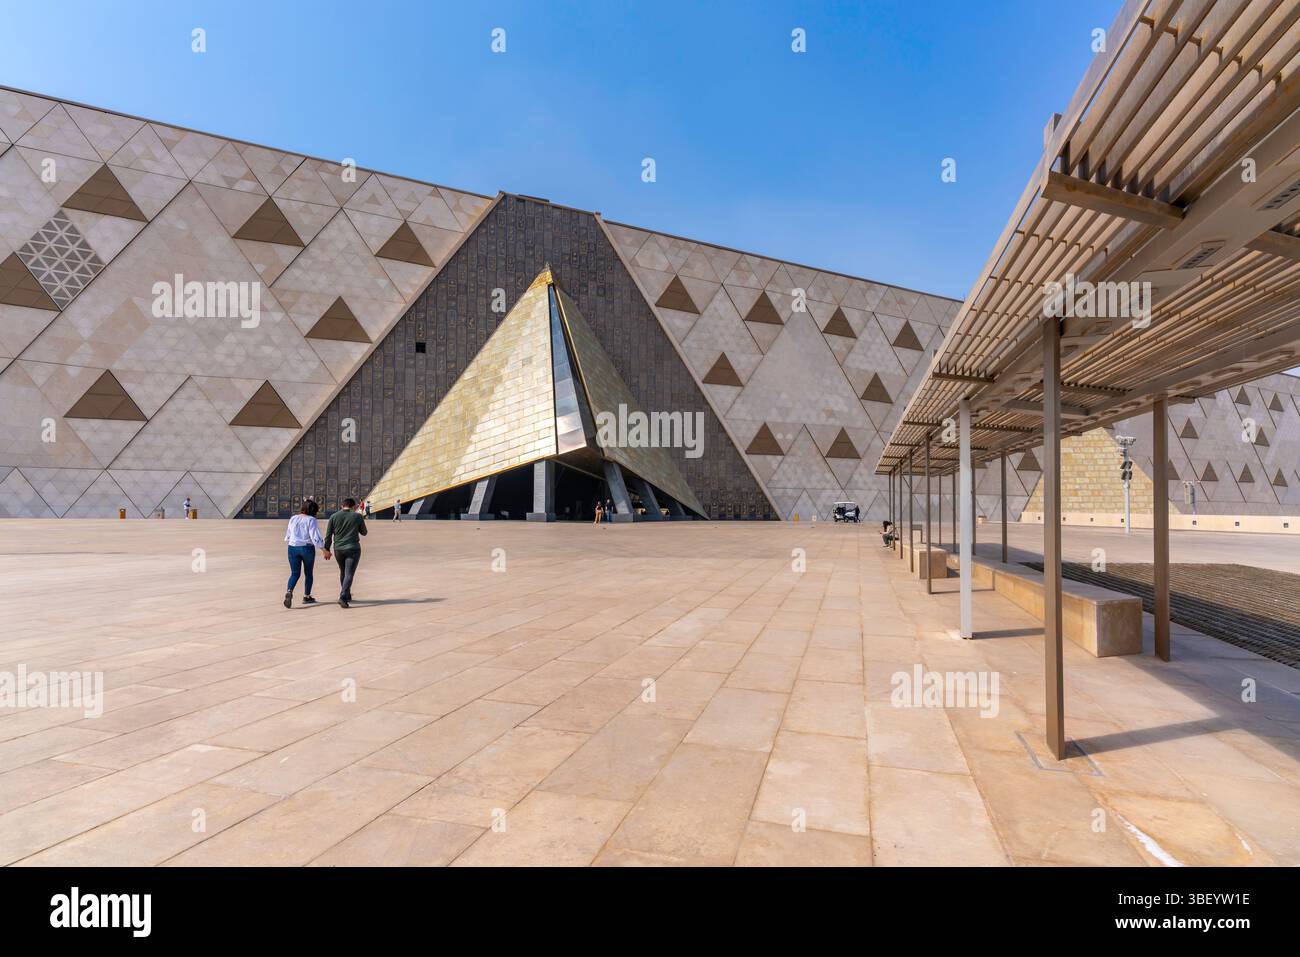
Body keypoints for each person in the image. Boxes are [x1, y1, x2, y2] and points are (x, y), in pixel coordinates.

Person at [324, 497, 367, 608]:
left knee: (343, 571)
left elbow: (328, 536)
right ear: (353, 507)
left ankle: (346, 593)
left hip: (338, 548)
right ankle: (343, 596)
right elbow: (364, 532)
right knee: (349, 573)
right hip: (353, 548)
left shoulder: (333, 516)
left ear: (342, 506)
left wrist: (326, 549)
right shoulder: (357, 516)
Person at [283, 500, 325, 607]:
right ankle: (307, 596)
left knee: (294, 573)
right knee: (308, 573)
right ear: (313, 510)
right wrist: (324, 550)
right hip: (307, 548)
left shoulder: (293, 518)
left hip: (292, 547)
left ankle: (289, 591)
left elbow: (288, 533)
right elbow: (315, 537)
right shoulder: (311, 519)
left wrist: (292, 541)